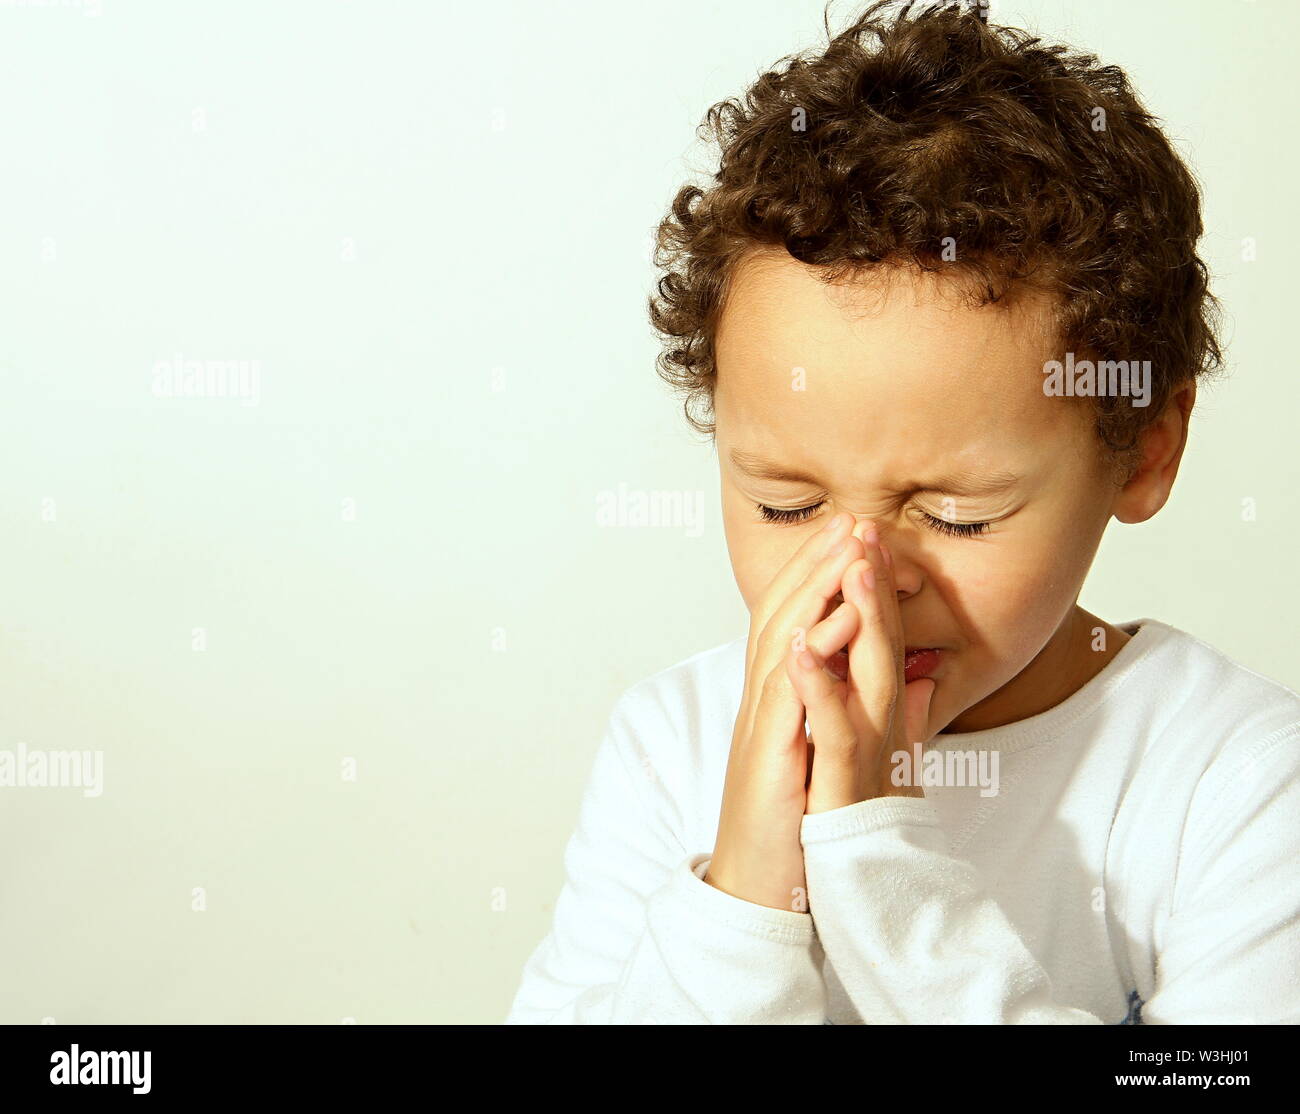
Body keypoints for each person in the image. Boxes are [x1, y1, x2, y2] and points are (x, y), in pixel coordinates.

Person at [504, 0, 1300, 1024]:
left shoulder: (1240, 785)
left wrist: (875, 852)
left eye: (961, 516)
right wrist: (747, 886)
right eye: (785, 503)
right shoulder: (675, 747)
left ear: (1143, 447)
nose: (862, 579)